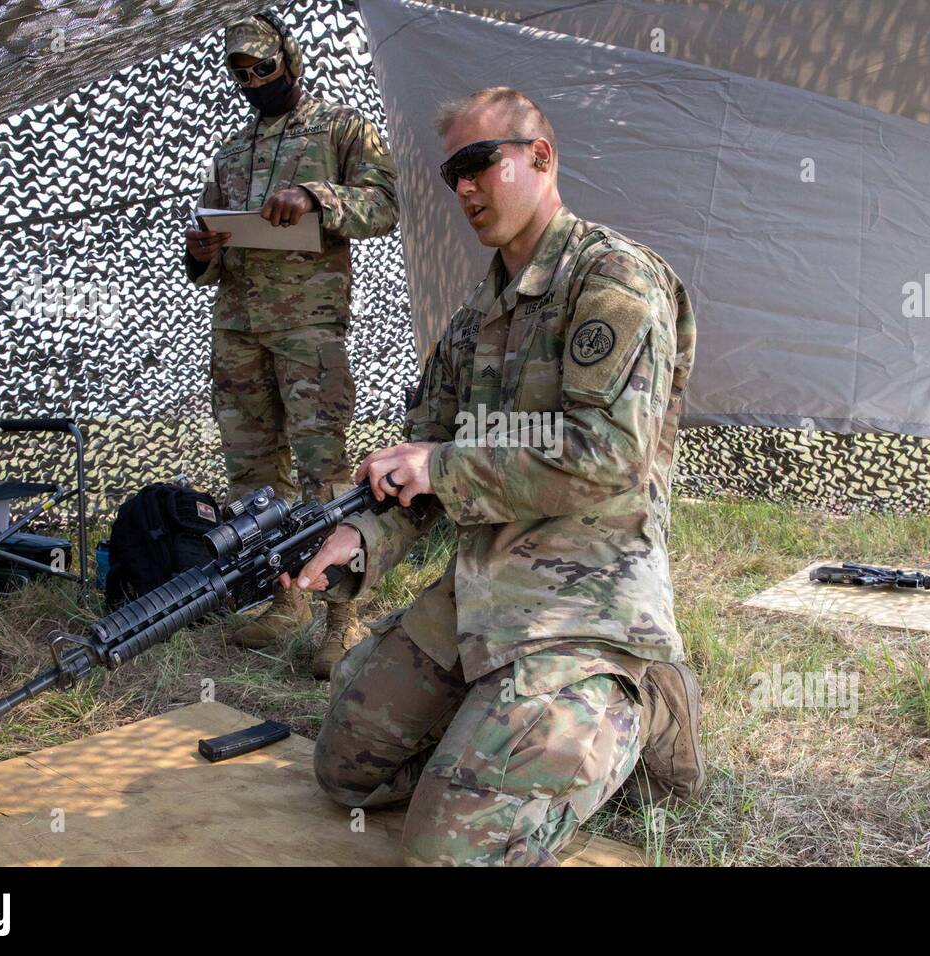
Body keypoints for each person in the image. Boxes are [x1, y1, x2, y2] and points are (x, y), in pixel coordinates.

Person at [293, 87, 705, 865]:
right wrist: (356, 541)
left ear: (540, 157)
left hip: (585, 603)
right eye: (452, 174)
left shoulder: (612, 279)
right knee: (345, 773)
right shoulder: (470, 325)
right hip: (481, 590)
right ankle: (495, 745)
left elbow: (609, 454)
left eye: (479, 164)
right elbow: (417, 474)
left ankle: (636, 702)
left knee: (447, 852)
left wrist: (440, 466)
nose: (464, 189)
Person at [184, 14, 398, 677]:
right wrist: (200, 251)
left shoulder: (341, 128)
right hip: (239, 330)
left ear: (290, 61)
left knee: (323, 476)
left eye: (263, 69)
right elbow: (205, 258)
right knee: (254, 480)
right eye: (240, 74)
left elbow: (386, 203)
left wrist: (314, 195)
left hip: (308, 333)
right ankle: (285, 601)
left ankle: (343, 618)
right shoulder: (231, 154)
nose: (253, 82)